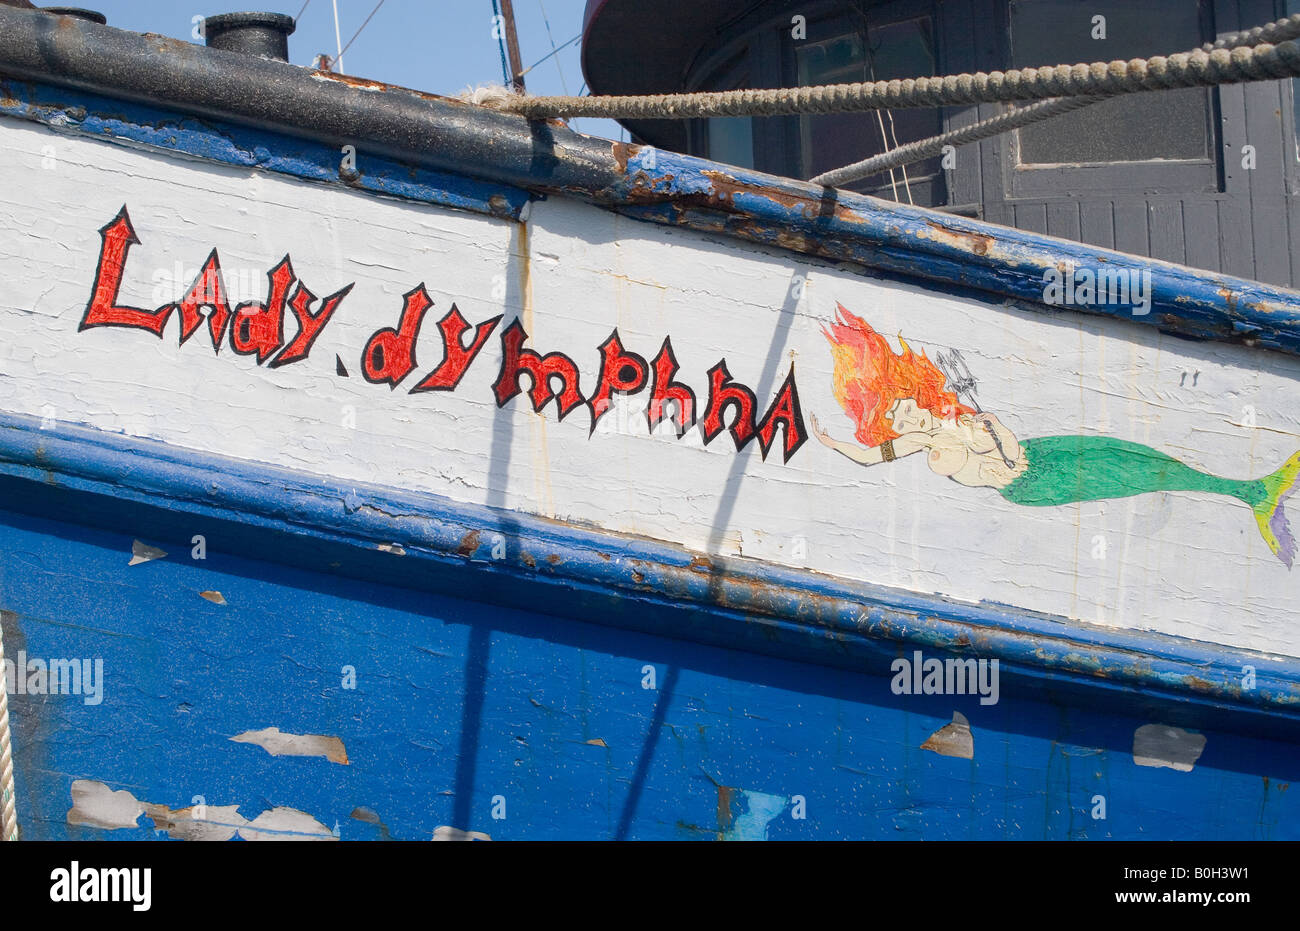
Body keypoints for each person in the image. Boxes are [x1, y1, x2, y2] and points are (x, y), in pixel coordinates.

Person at [813, 305, 1300, 568]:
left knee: (1134, 455)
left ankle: (1253, 490)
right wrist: (832, 443)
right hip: (1032, 483)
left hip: (1044, 453)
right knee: (1127, 479)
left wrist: (993, 428)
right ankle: (1253, 494)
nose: (907, 417)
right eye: (897, 418)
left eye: (904, 406)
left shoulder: (950, 414)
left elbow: (1004, 440)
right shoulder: (926, 445)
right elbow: (873, 459)